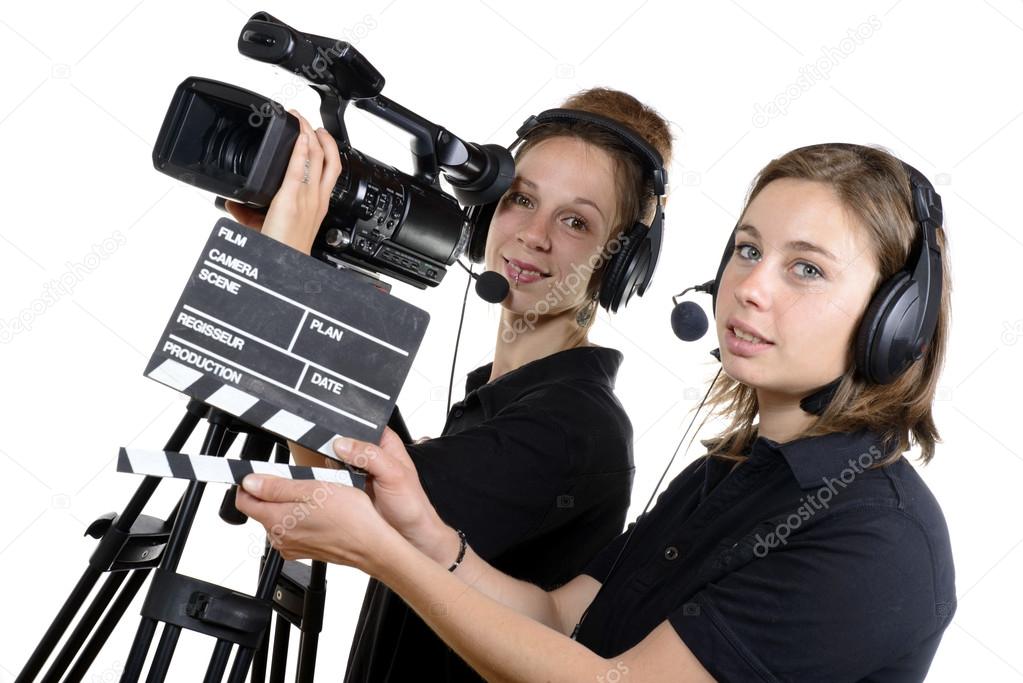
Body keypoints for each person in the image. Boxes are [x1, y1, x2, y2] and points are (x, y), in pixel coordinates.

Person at [237, 142, 957, 681]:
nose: (748, 287)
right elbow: (560, 619)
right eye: (745, 250)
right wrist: (422, 531)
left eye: (805, 268)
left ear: (894, 321)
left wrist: (386, 553)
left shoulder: (875, 535)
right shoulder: (722, 476)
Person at [226, 89, 675, 680]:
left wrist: (283, 272)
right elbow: (342, 461)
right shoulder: (507, 397)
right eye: (521, 199)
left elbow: (334, 498)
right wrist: (308, 266)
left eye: (575, 221)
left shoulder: (570, 426)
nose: (533, 236)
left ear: (619, 263)